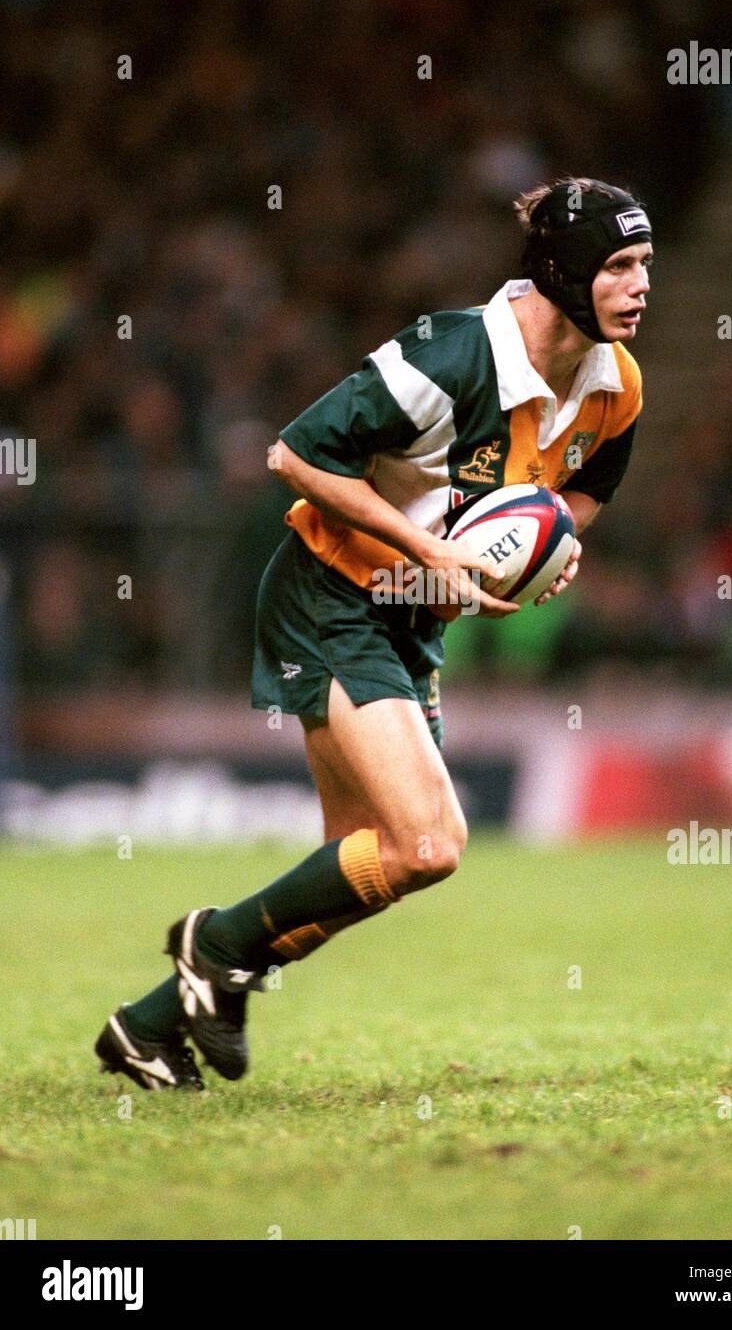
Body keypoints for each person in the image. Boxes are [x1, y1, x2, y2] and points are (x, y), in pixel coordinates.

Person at [94, 176, 652, 1089]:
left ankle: (147, 1028)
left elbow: (597, 483)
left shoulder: (615, 382)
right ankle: (216, 944)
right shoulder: (451, 352)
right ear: (562, 268)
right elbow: (295, 453)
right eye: (619, 265)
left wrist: (554, 545)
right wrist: (428, 549)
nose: (639, 286)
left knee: (378, 864)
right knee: (429, 842)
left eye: (646, 266)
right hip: (332, 594)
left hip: (410, 620)